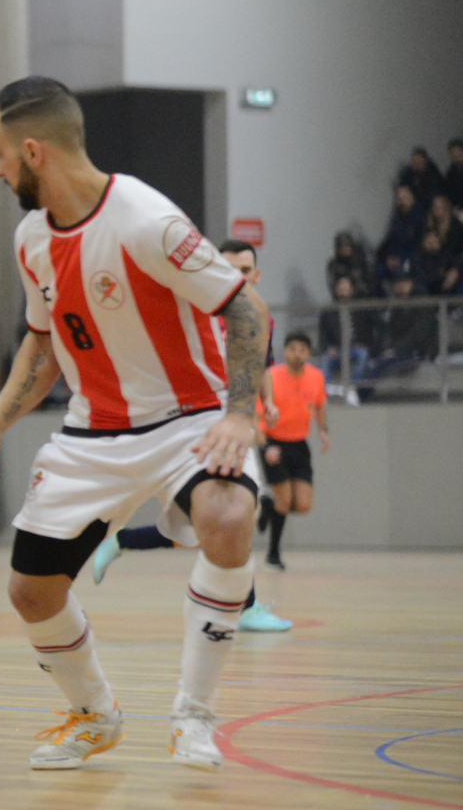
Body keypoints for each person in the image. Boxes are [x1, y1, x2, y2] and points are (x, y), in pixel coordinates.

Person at [0, 76, 270, 772]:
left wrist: (241, 416)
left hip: (191, 419)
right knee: (30, 590)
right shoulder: (32, 238)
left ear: (32, 151)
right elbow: (42, 342)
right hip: (93, 433)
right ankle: (94, 714)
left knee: (227, 513)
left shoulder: (148, 221)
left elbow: (246, 311)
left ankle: (194, 718)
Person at [89, 239, 290, 632]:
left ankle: (123, 541)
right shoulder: (195, 309)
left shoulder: (258, 317)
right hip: (196, 424)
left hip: (234, 423)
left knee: (209, 529)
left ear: (256, 275)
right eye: (227, 267)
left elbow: (260, 363)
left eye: (244, 270)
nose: (236, 276)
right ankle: (244, 609)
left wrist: (269, 400)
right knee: (233, 517)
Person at [256, 333, 328, 572]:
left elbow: (320, 404)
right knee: (285, 501)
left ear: (309, 353)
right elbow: (256, 419)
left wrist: (323, 431)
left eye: (302, 349)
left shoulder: (316, 377)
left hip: (299, 445)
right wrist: (266, 448)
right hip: (274, 443)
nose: (297, 353)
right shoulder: (271, 378)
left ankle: (267, 505)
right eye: (292, 349)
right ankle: (273, 555)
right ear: (285, 352)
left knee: (304, 505)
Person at [319, 275, 381, 382]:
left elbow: (378, 327)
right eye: (340, 289)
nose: (343, 292)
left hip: (357, 348)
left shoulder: (362, 308)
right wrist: (329, 348)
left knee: (363, 354)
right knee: (325, 359)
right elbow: (323, 335)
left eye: (346, 288)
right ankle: (326, 392)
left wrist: (371, 346)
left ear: (352, 290)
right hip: (338, 349)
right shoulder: (328, 312)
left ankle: (352, 386)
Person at [376, 185, 425, 294]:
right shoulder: (397, 217)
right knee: (378, 271)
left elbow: (418, 243)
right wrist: (388, 257)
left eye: (405, 197)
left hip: (411, 256)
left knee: (401, 272)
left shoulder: (419, 216)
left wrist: (402, 258)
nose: (402, 201)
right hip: (394, 255)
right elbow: (390, 240)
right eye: (400, 198)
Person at [325, 230, 372, 297]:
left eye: (347, 247)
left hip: (360, 299)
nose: (345, 250)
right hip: (339, 299)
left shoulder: (360, 262)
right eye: (342, 248)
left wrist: (352, 288)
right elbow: (331, 282)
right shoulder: (333, 265)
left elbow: (368, 284)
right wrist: (340, 288)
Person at [445, 139, 463, 211]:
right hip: (456, 210)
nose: (456, 155)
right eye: (453, 153)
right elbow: (447, 191)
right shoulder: (450, 172)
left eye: (458, 152)